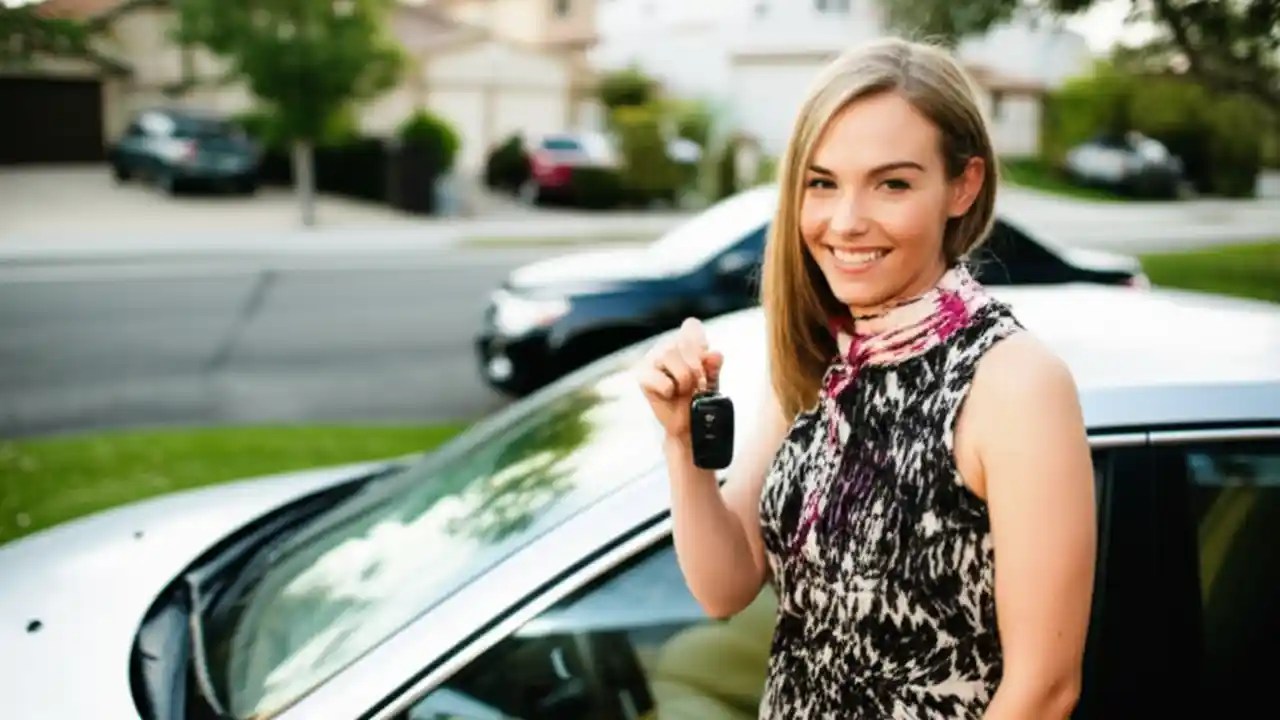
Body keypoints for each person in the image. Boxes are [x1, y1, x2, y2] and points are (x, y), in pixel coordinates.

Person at [635, 37, 1097, 719]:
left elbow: (1044, 692)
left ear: (962, 186)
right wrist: (682, 443)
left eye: (893, 183)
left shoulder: (1014, 383)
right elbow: (724, 586)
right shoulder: (823, 355)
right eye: (822, 183)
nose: (846, 223)